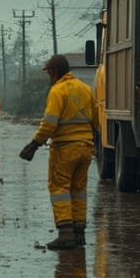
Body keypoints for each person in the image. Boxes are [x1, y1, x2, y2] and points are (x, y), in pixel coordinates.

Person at [20, 55, 99, 250]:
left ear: (53, 72)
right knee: (79, 191)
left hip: (65, 148)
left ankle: (65, 235)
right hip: (85, 148)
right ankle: (79, 234)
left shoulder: (57, 91)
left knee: (60, 189)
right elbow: (96, 120)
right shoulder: (85, 89)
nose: (48, 77)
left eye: (48, 73)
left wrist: (35, 143)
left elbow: (49, 123)